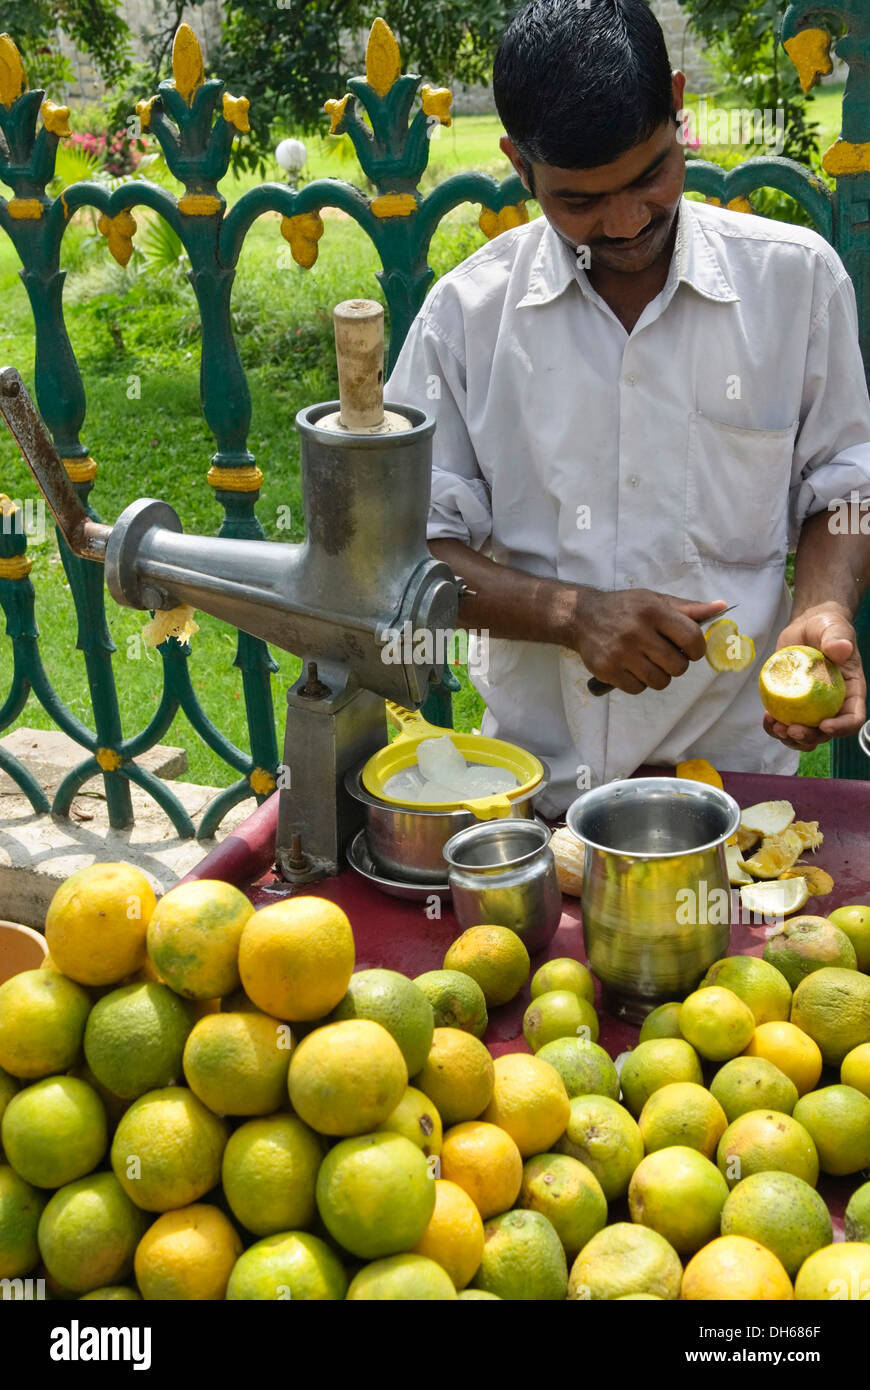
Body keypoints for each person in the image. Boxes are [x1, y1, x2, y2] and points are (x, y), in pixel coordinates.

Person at [385, 0, 870, 816]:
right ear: (517, 163)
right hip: (531, 790)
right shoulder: (465, 319)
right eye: (579, 200)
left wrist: (822, 603)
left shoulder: (794, 285)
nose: (625, 220)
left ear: (678, 107)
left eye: (650, 175)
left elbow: (844, 489)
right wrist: (570, 615)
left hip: (739, 783)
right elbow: (406, 551)